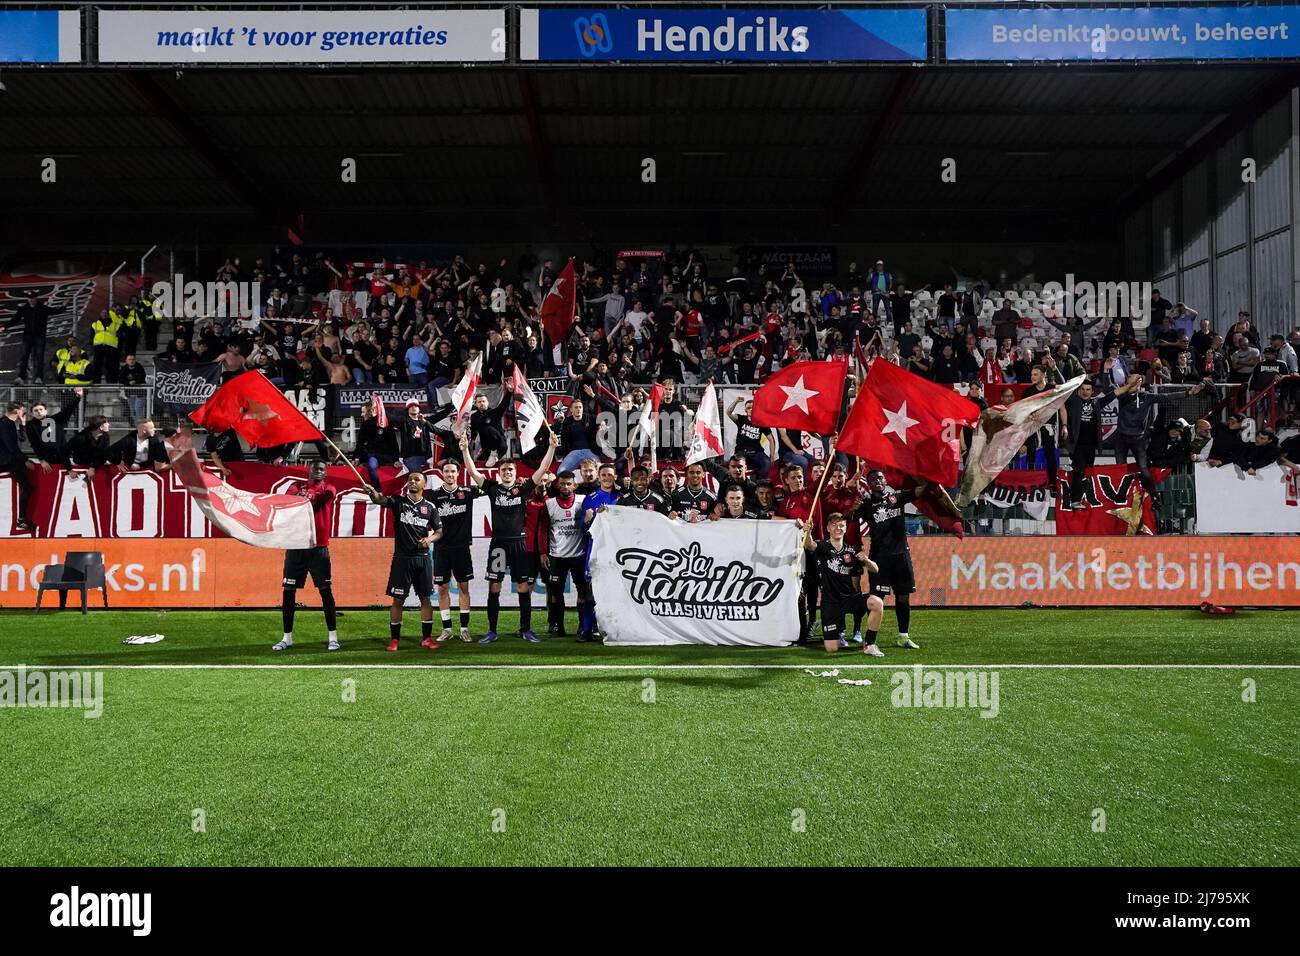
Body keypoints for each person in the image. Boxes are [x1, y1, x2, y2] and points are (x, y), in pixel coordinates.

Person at [464, 430, 558, 644]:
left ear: (515, 473)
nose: (507, 472)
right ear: (499, 473)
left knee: (523, 588)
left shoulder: (523, 489)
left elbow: (542, 468)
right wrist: (465, 450)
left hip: (519, 545)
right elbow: (471, 471)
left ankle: (526, 629)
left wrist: (552, 447)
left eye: (510, 469)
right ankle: (492, 631)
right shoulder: (492, 488)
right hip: (498, 545)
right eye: (504, 469)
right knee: (494, 587)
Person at [855, 470, 931, 654]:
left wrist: (931, 478)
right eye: (873, 479)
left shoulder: (897, 497)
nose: (877, 481)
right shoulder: (866, 505)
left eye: (880, 478)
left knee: (903, 596)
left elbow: (921, 490)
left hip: (901, 555)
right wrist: (853, 507)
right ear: (869, 484)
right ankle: (870, 641)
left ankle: (903, 636)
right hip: (879, 558)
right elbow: (846, 517)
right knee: (876, 600)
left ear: (885, 480)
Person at [366, 471, 442, 652]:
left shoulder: (430, 507)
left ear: (424, 485)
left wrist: (429, 539)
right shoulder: (398, 502)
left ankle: (427, 638)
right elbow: (379, 500)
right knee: (398, 600)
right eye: (410, 480)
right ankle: (394, 640)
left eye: (416, 480)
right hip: (402, 559)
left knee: (426, 599)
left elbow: (439, 532)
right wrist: (373, 493)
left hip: (423, 559)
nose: (412, 482)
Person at [273, 460, 341, 652]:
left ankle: (333, 637)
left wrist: (309, 497)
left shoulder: (329, 487)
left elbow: (327, 497)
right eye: (315, 468)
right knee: (288, 590)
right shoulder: (296, 486)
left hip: (318, 548)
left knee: (325, 590)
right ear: (309, 470)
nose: (318, 471)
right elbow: (288, 501)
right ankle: (287, 638)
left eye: (322, 469)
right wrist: (303, 496)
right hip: (296, 545)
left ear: (325, 473)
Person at [803, 513, 881, 654]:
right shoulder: (822, 546)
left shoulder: (852, 550)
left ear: (845, 528)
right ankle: (837, 634)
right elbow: (809, 544)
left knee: (876, 602)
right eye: (834, 525)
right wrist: (808, 531)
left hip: (849, 598)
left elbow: (875, 569)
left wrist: (866, 560)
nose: (838, 528)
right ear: (828, 528)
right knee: (832, 649)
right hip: (830, 602)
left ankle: (870, 644)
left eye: (841, 525)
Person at [429, 449, 481, 643]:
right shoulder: (433, 496)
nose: (450, 474)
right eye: (446, 471)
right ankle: (447, 629)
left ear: (459, 473)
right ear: (442, 473)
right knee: (442, 589)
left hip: (461, 548)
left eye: (453, 471)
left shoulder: (468, 492)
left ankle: (464, 629)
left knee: (463, 587)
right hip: (441, 548)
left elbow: (491, 488)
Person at [539, 470, 597, 642]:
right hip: (556, 555)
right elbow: (543, 530)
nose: (565, 487)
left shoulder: (583, 501)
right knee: (555, 592)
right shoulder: (549, 504)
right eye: (562, 484)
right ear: (558, 485)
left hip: (579, 554)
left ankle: (583, 625)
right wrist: (543, 552)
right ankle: (557, 625)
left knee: (583, 590)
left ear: (575, 485)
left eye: (568, 484)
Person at [1112, 374, 1157, 495]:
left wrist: (1187, 393)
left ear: (1140, 383)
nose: (1134, 384)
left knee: (1143, 468)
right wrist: (1106, 372)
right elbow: (1108, 389)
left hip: (1138, 439)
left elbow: (1167, 397)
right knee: (1121, 468)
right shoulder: (1122, 395)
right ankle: (1122, 495)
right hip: (1121, 438)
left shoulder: (1146, 397)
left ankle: (1153, 495)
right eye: (1131, 382)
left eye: (1137, 382)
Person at [25, 389, 82, 469]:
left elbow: (68, 410)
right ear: (32, 414)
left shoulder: (56, 419)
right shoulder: (30, 425)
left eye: (41, 409)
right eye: (36, 410)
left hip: (62, 457)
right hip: (47, 458)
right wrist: (42, 460)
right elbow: (35, 443)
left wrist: (78, 397)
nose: (39, 412)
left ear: (46, 411)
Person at [0, 402, 34, 532]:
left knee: (27, 487)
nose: (24, 412)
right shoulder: (5, 423)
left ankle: (21, 519)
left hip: (9, 461)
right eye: (22, 410)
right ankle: (21, 520)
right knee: (28, 488)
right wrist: (25, 460)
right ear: (16, 410)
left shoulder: (10, 423)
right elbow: (12, 447)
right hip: (7, 462)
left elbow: (21, 439)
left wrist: (23, 424)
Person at [15, 292, 53, 384]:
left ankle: (39, 377)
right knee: (24, 356)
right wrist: (5, 326)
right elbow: (15, 319)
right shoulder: (24, 309)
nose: (31, 300)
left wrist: (64, 306)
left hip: (39, 336)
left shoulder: (43, 308)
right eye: (29, 298)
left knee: (39, 357)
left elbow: (55, 311)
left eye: (33, 298)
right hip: (27, 336)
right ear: (27, 299)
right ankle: (21, 377)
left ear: (36, 298)